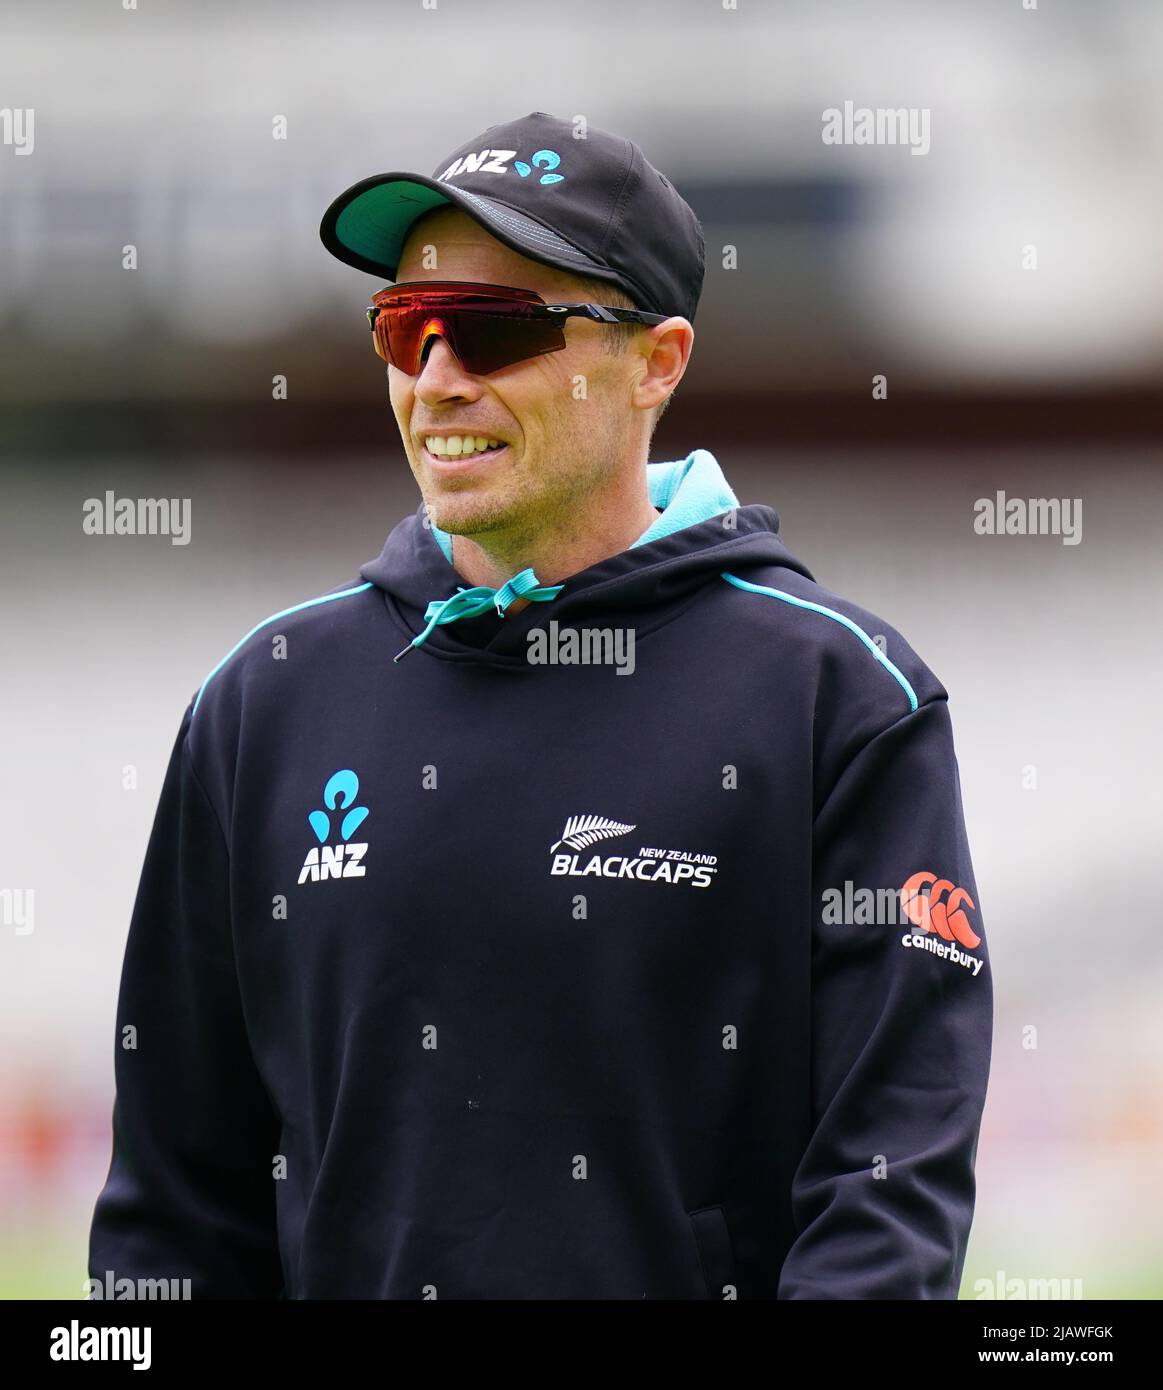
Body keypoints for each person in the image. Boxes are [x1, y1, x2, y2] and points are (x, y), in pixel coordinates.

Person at [89, 111, 993, 1299]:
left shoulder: (839, 698)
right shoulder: (260, 703)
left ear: (656, 361)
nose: (436, 380)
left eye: (493, 330)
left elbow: (888, 1192)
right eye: (405, 330)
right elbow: (174, 1209)